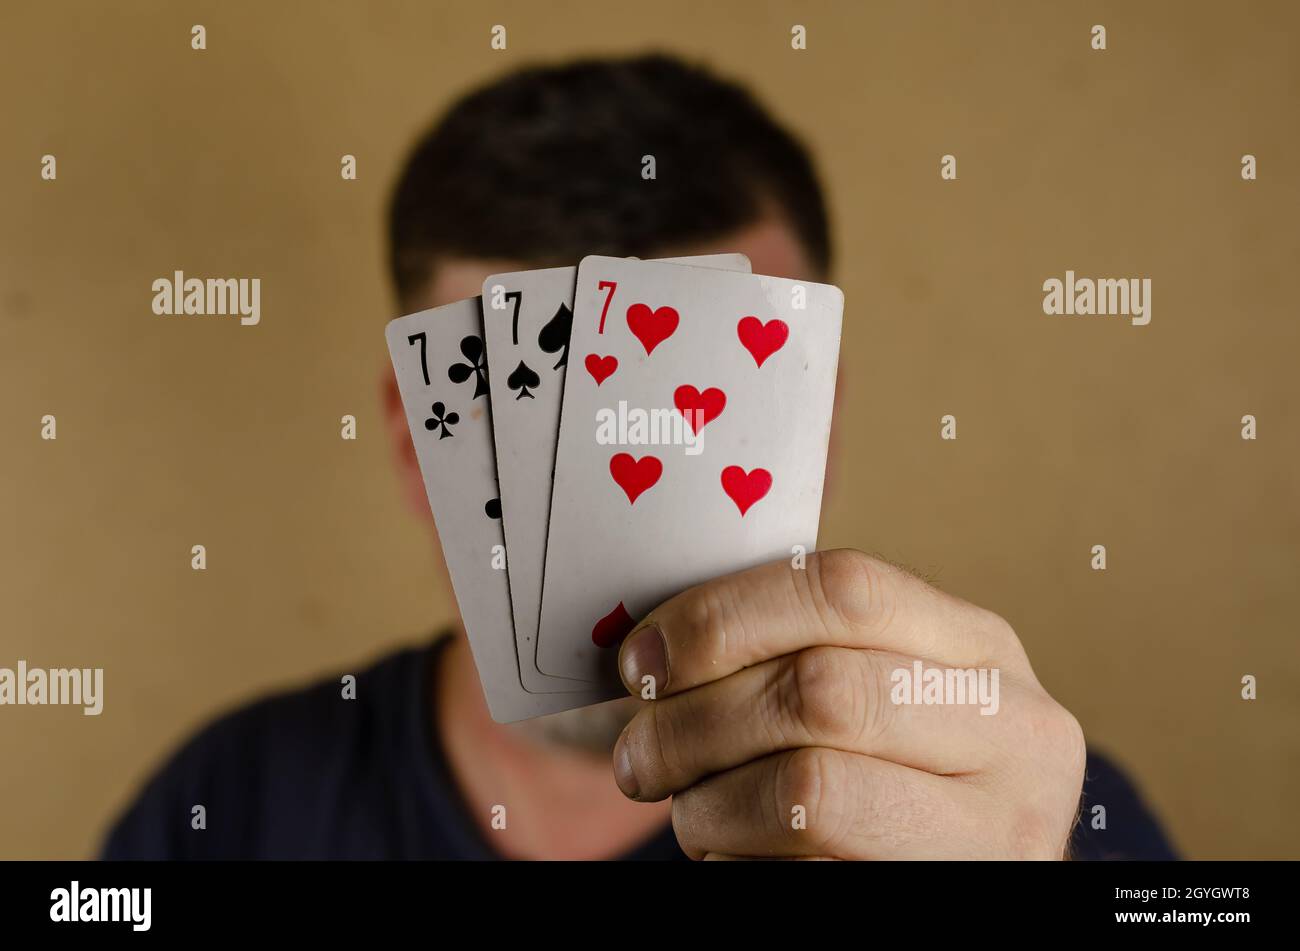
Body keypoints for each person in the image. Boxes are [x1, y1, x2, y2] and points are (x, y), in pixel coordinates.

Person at [103, 55, 1176, 861]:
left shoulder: (1021, 810)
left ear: (816, 418)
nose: (616, 512)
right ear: (411, 441)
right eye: (539, 431)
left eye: (705, 409)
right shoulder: (228, 807)